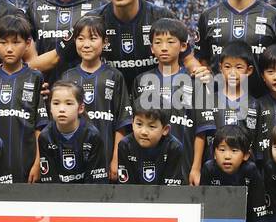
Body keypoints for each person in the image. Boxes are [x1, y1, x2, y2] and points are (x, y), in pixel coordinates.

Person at [31, 0, 206, 92]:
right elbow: (55, 57)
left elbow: (188, 58)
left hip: (153, 103)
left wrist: (200, 73)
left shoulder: (161, 17)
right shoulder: (91, 21)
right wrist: (10, 70)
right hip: (110, 104)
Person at [135, 17, 214, 183]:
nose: (164, 48)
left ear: (183, 46)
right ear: (151, 48)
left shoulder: (196, 81)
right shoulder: (141, 80)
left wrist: (196, 167)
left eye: (171, 42)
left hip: (185, 163)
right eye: (158, 42)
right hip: (149, 164)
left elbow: (201, 129)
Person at [60, 15, 132, 181]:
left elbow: (122, 122)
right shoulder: (67, 76)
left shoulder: (115, 76)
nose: (86, 44)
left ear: (105, 42)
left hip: (106, 157)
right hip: (73, 157)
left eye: (93, 38)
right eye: (80, 39)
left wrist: (116, 159)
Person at [0, 13, 45, 183]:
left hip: (24, 158)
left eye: (16, 42)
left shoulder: (36, 78)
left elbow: (41, 125)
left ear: (27, 43)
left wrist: (38, 162)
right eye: (3, 42)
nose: (9, 48)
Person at [26, 0, 107, 81]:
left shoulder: (100, 6)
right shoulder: (35, 7)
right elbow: (25, 50)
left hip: (89, 92)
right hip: (46, 93)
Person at [37, 81, 108, 184]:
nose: (61, 109)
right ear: (50, 107)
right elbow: (49, 180)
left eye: (69, 103)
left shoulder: (92, 135)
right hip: (57, 196)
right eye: (56, 103)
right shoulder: (45, 137)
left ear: (80, 108)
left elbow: (96, 181)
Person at [115, 107, 185, 186]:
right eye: (139, 124)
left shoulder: (174, 148)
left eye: (151, 126)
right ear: (132, 124)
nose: (144, 132)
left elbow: (172, 189)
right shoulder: (125, 146)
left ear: (165, 129)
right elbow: (125, 185)